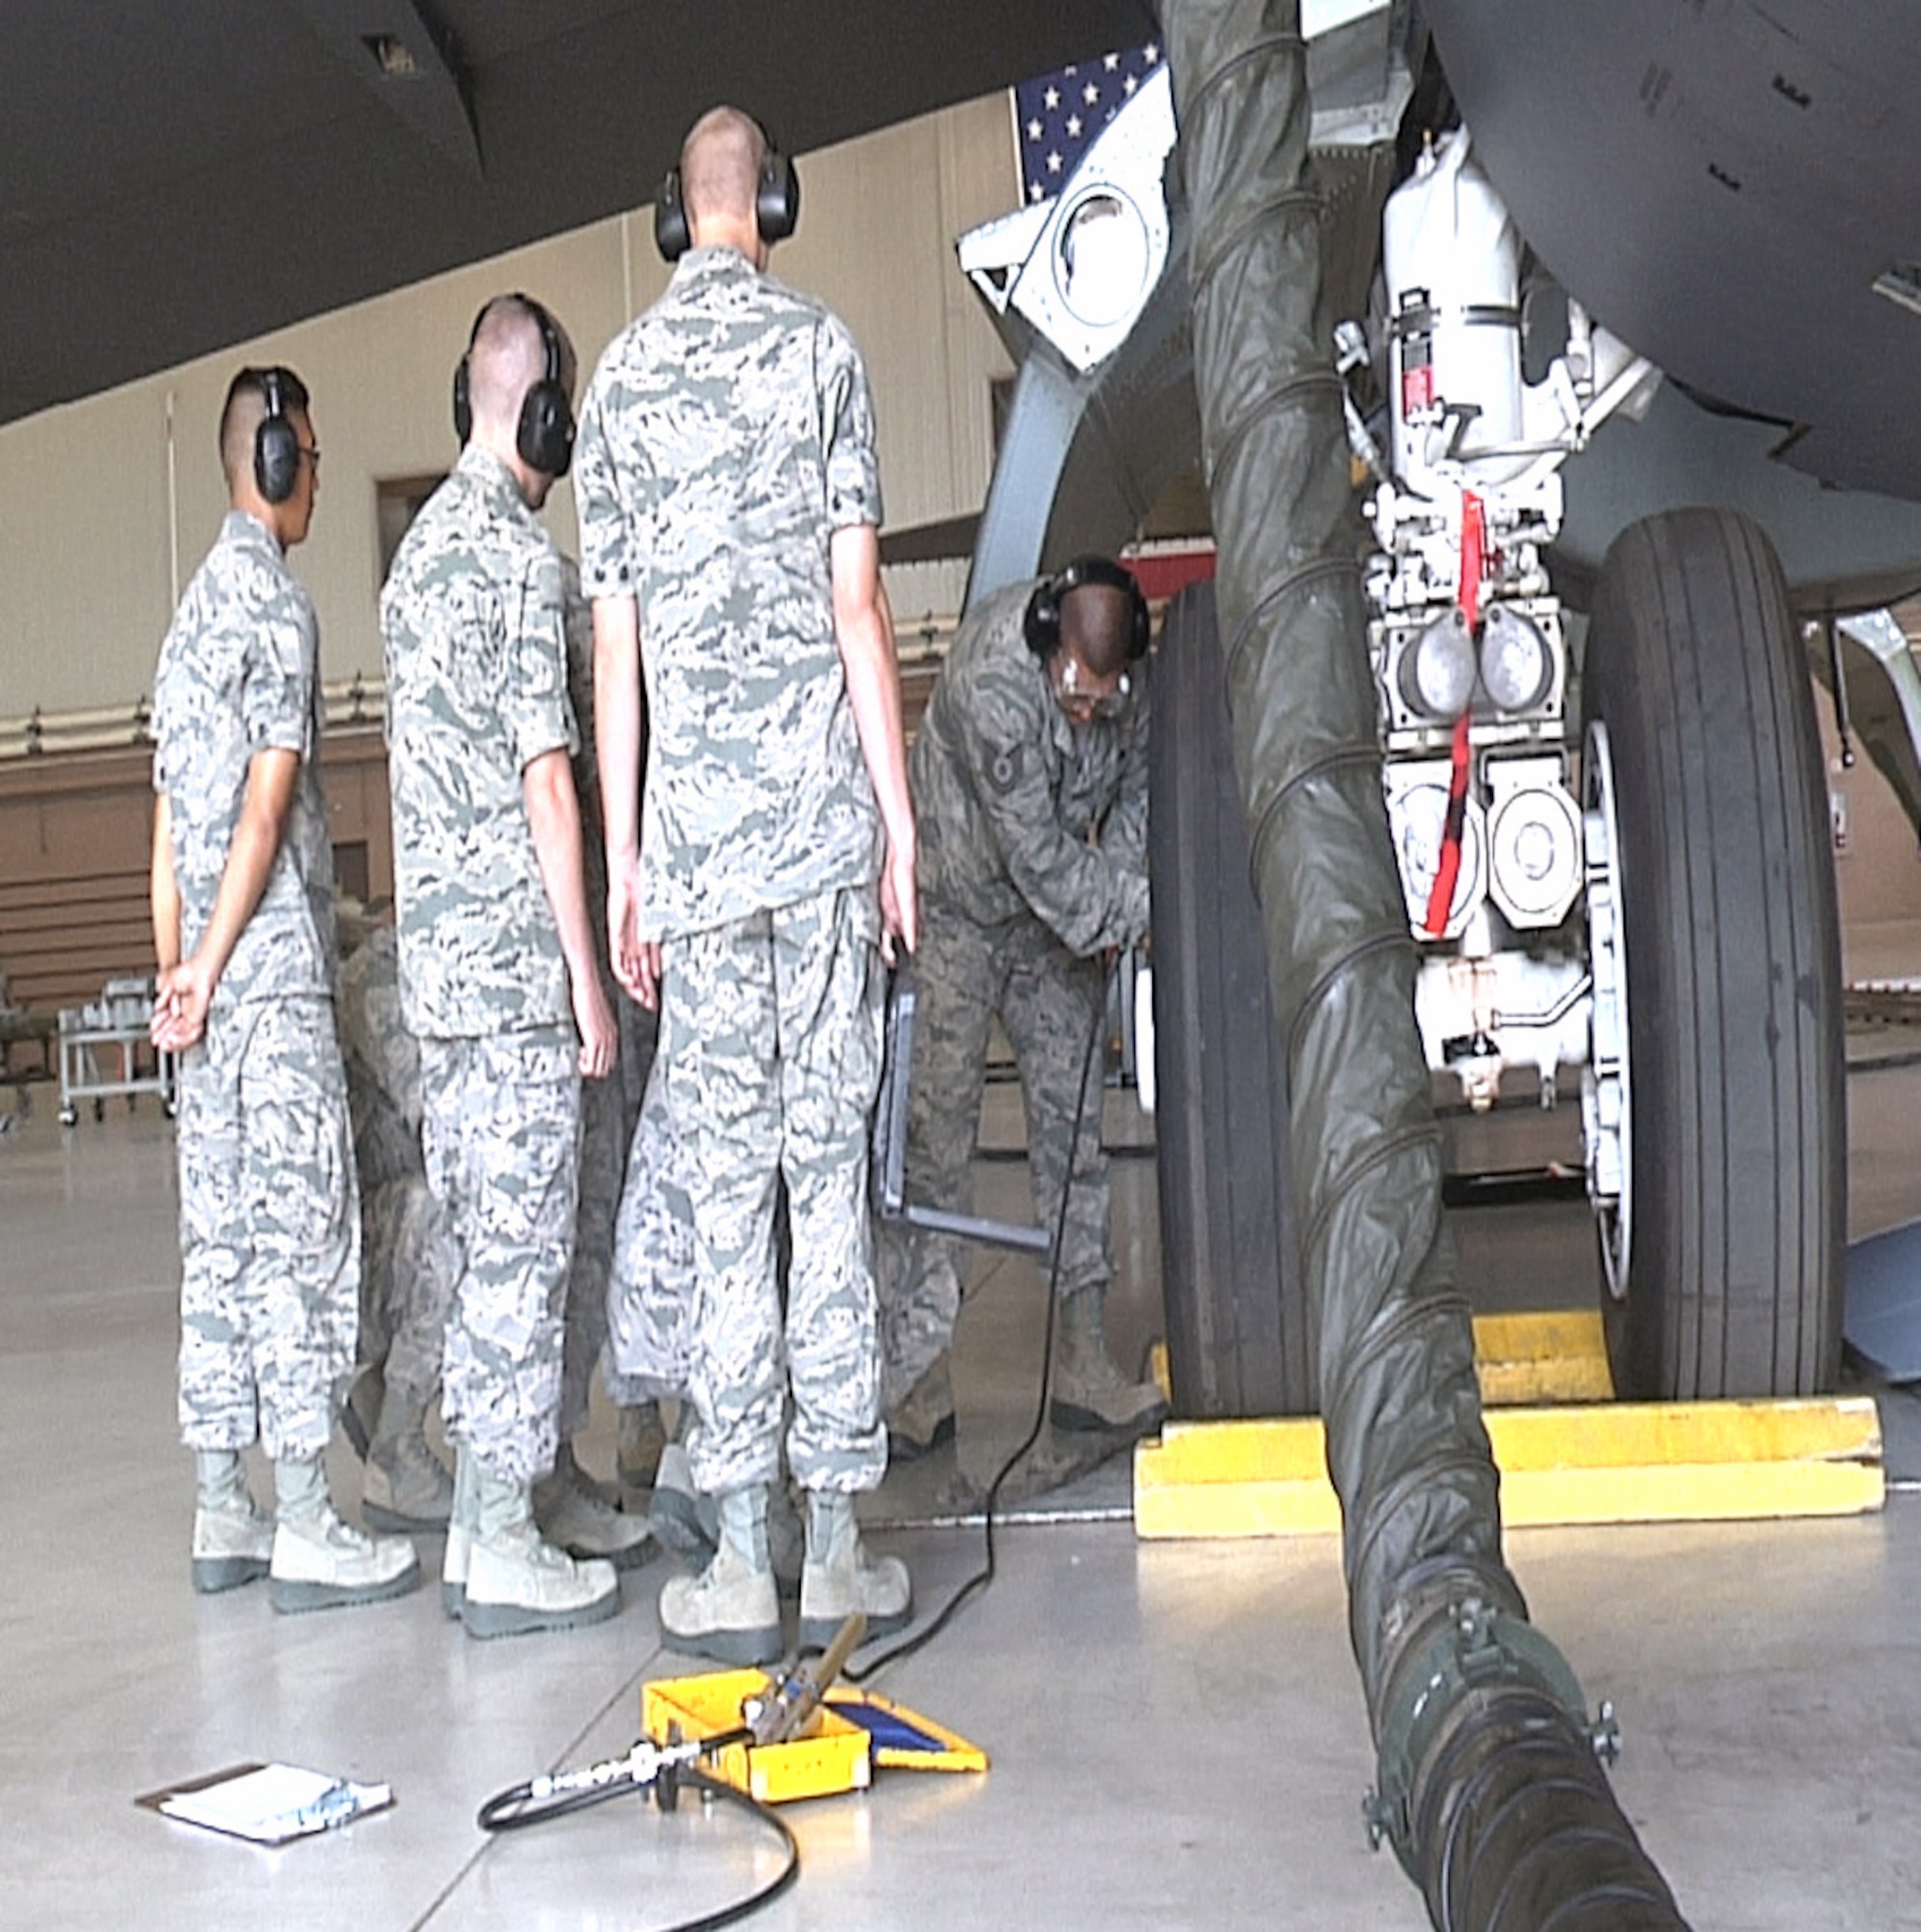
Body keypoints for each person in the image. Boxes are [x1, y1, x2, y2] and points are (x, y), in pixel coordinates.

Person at [577, 105, 918, 1664]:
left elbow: (614, 647)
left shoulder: (623, 380)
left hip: (701, 869)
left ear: (673, 212)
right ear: (769, 203)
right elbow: (856, 603)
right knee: (821, 1192)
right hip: (821, 849)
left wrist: (627, 860)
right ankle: (839, 1542)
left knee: (725, 1205)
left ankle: (740, 1557)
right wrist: (896, 830)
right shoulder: (823, 348)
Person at [150, 364, 419, 1612]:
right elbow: (267, 799)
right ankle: (309, 1513)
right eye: (306, 458)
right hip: (262, 983)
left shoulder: (189, 614)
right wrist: (216, 962)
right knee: (305, 1238)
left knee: (222, 1244)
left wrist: (172, 972)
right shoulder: (272, 606)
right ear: (269, 464)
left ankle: (224, 1506)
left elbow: (169, 825)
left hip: (202, 1004)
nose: (312, 476)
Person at [381, 293, 621, 1638]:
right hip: (520, 976)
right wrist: (586, 976)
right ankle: (499, 1542)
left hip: (442, 983)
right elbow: (545, 776)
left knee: (488, 1253)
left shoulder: (415, 559)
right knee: (526, 1262)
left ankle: (503, 1507)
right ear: (545, 414)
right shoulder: (523, 569)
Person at [881, 556, 1166, 1457]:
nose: (1088, 713)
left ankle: (1082, 1359)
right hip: (958, 916)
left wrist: (1120, 885)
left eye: (1101, 699)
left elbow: (1137, 794)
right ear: (1048, 651)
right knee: (933, 1148)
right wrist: (1127, 910)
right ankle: (914, 1378)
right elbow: (1036, 855)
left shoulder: (1127, 684)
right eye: (1074, 697)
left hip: (1054, 929)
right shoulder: (990, 686)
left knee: (1072, 1134)